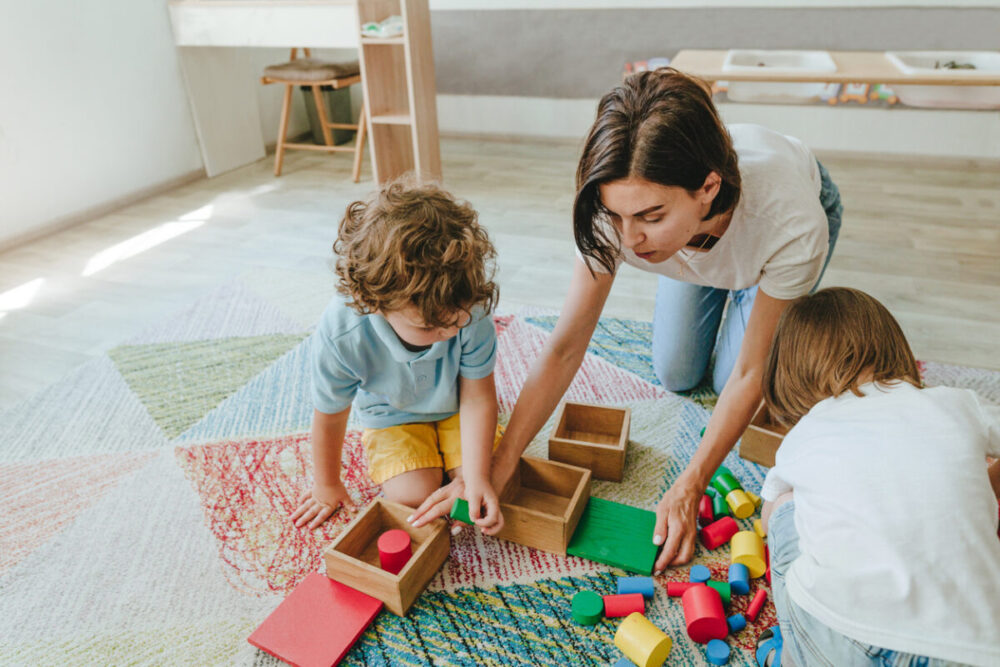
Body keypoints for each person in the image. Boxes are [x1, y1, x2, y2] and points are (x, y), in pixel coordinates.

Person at [411, 68, 842, 572]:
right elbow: (566, 345)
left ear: (707, 188)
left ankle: (728, 277)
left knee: (734, 380)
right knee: (678, 372)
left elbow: (749, 375)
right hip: (691, 243)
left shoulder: (792, 223)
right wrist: (499, 464)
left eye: (650, 216)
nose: (630, 240)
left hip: (765, 232)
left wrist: (689, 483)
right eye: (618, 217)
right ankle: (696, 259)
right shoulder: (613, 212)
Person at [759, 287, 1000, 666]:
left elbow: (768, 515)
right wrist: (989, 483)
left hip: (839, 640)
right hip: (969, 650)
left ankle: (788, 656)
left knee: (784, 506)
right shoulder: (957, 402)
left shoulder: (805, 433)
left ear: (791, 374)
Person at [291, 178, 505, 536]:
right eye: (430, 328)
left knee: (482, 487)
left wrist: (478, 477)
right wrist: (326, 484)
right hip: (392, 415)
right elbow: (330, 412)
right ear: (376, 303)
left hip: (458, 407)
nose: (451, 331)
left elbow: (478, 396)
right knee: (413, 495)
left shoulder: (470, 308)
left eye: (458, 320)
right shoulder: (343, 333)